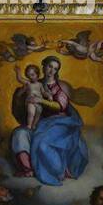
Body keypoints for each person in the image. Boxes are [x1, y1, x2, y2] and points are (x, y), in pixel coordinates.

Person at [9, 55, 88, 184]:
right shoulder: (35, 82)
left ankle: (57, 171)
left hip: (59, 123)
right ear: (43, 66)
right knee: (19, 134)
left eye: (55, 69)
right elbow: (22, 101)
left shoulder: (59, 87)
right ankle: (28, 168)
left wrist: (40, 100)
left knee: (43, 141)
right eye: (49, 66)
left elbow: (60, 106)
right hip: (39, 122)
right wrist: (21, 94)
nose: (51, 70)